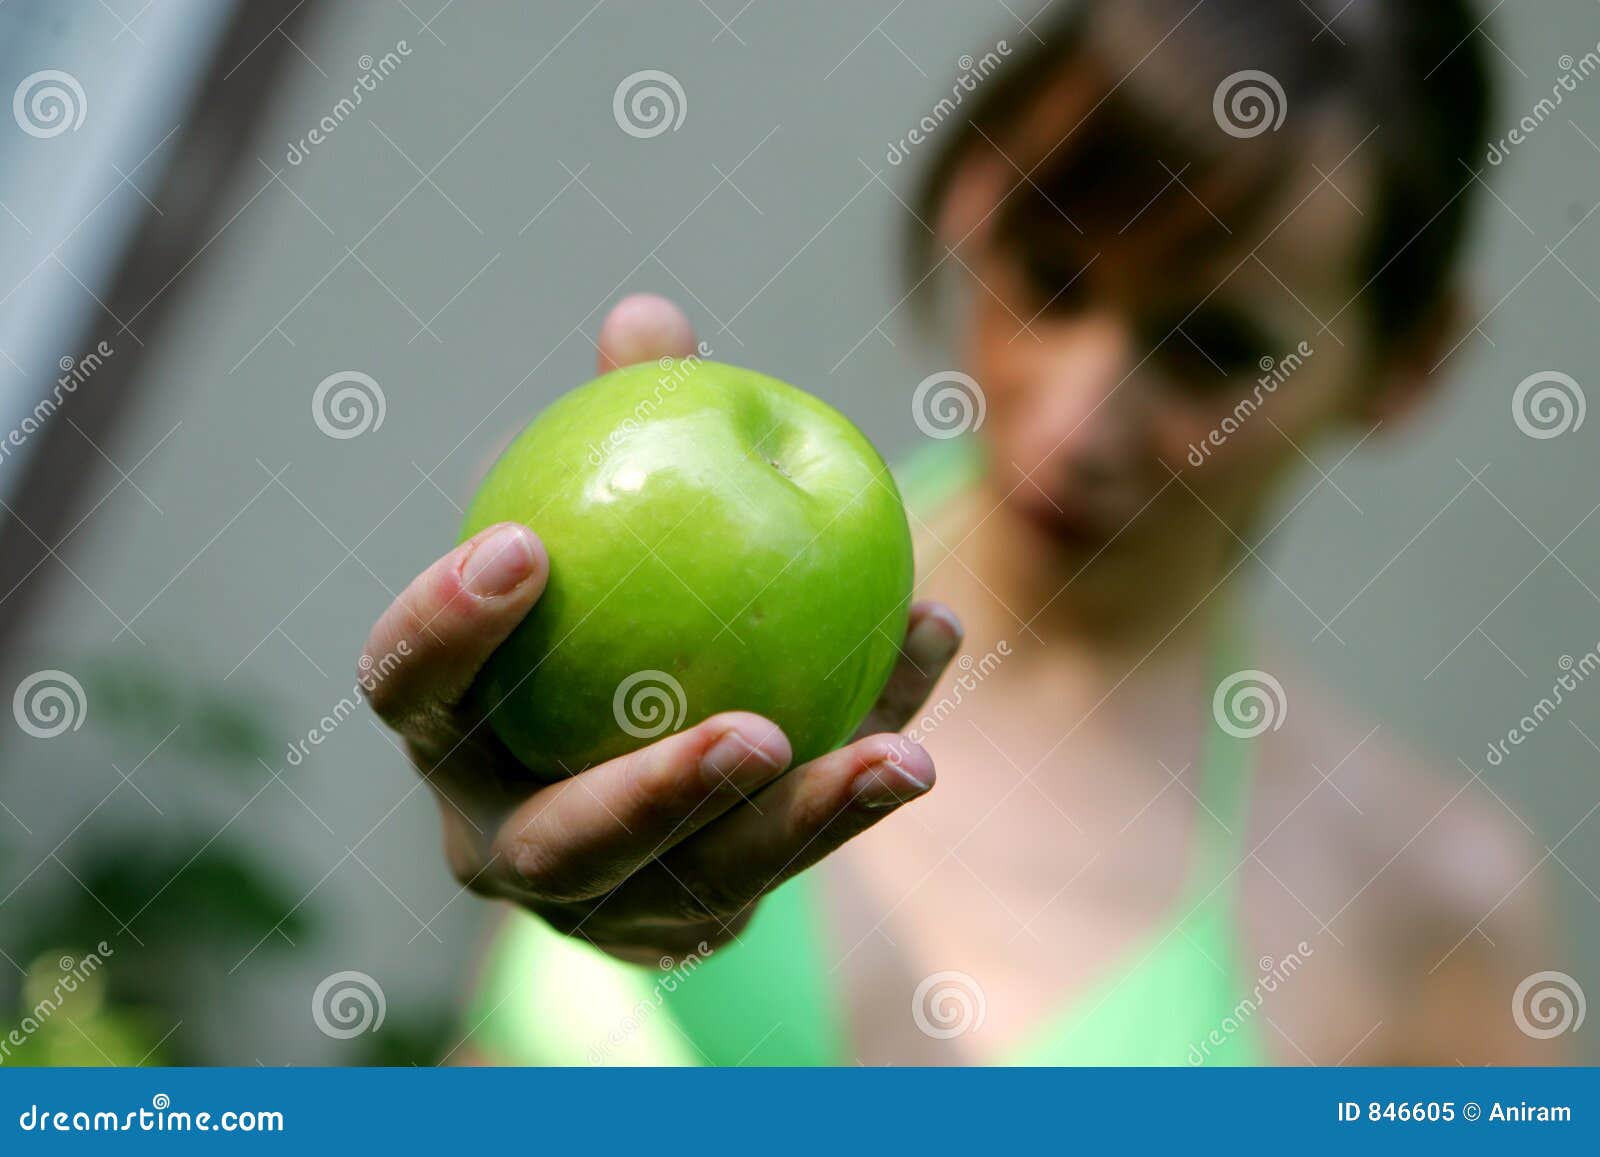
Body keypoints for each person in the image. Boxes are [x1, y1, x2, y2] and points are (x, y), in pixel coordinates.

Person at [363, 0, 1558, 1064]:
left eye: (1212, 347)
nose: (1073, 428)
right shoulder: (659, 606)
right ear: (980, 187)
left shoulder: (1429, 912)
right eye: (1049, 276)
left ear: (1407, 364)